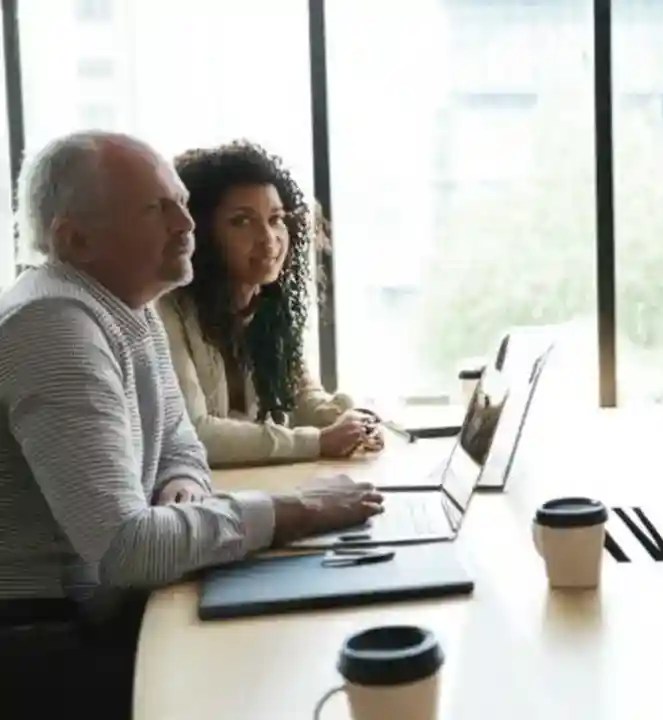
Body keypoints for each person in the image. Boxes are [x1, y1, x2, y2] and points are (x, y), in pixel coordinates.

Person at [0, 131, 384, 717]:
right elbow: (125, 549)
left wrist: (186, 489)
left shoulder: (128, 304)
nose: (187, 225)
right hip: (45, 646)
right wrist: (298, 509)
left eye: (182, 202)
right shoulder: (55, 324)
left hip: (102, 615)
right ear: (73, 238)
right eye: (157, 209)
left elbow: (181, 446)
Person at [157, 141, 380, 466]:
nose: (268, 238)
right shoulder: (164, 311)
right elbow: (195, 435)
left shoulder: (267, 308)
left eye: (275, 219)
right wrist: (318, 441)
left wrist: (353, 420)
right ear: (202, 233)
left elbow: (303, 399)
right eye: (242, 222)